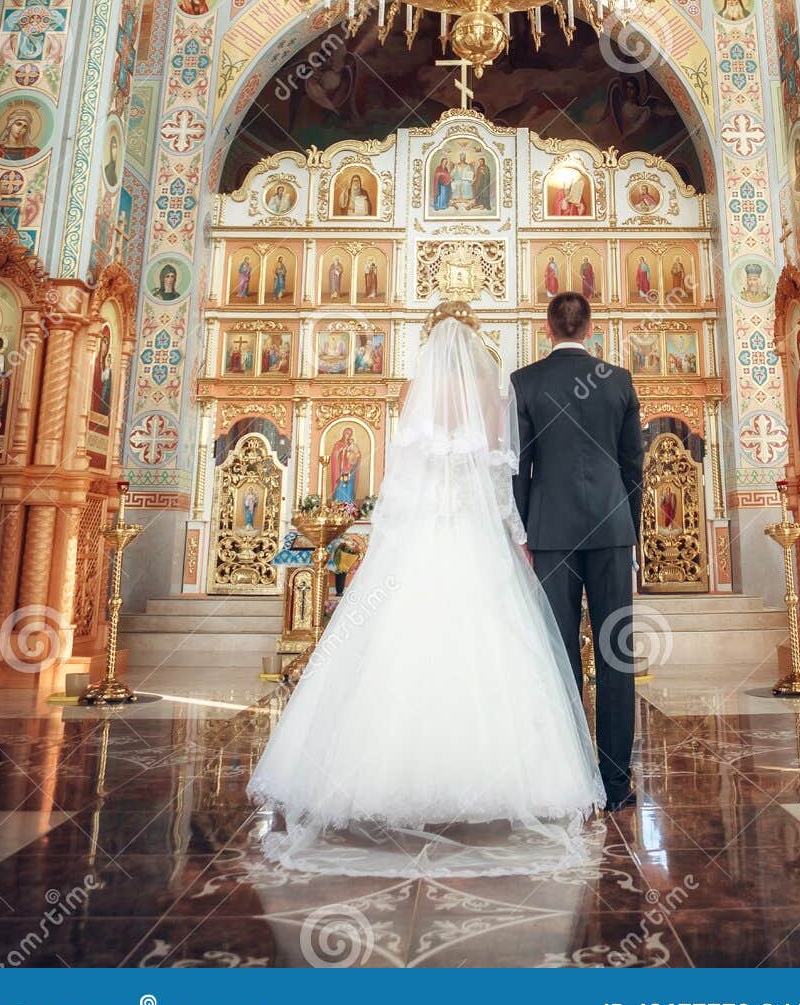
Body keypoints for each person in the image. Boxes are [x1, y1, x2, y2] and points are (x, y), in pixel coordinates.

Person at [249, 302, 603, 876]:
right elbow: (500, 478)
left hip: (416, 542)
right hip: (476, 538)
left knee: (394, 650)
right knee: (496, 651)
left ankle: (376, 780)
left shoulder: (418, 395)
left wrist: (381, 546)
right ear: (473, 344)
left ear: (431, 345)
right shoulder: (495, 397)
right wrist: (517, 537)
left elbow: (401, 483)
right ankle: (498, 782)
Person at [511, 291, 644, 813]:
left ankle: (567, 781)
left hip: (551, 536)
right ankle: (615, 785)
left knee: (559, 656)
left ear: (548, 330)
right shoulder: (620, 381)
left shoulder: (525, 383)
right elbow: (634, 467)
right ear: (590, 330)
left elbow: (520, 468)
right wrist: (626, 528)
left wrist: (522, 534)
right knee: (616, 654)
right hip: (612, 531)